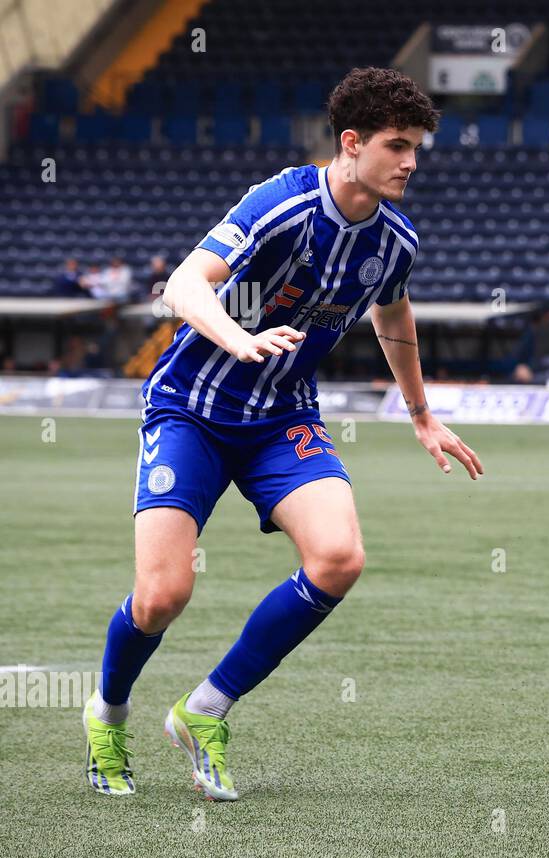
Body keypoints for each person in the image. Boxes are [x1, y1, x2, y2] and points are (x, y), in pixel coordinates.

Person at [81, 67, 483, 800]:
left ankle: (204, 711)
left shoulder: (395, 240)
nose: (412, 162)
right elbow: (182, 284)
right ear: (352, 143)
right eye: (398, 145)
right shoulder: (281, 203)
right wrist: (236, 337)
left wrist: (421, 415)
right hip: (190, 408)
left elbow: (393, 316)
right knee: (162, 597)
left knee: (339, 557)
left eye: (418, 147)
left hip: (283, 417)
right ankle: (107, 713)